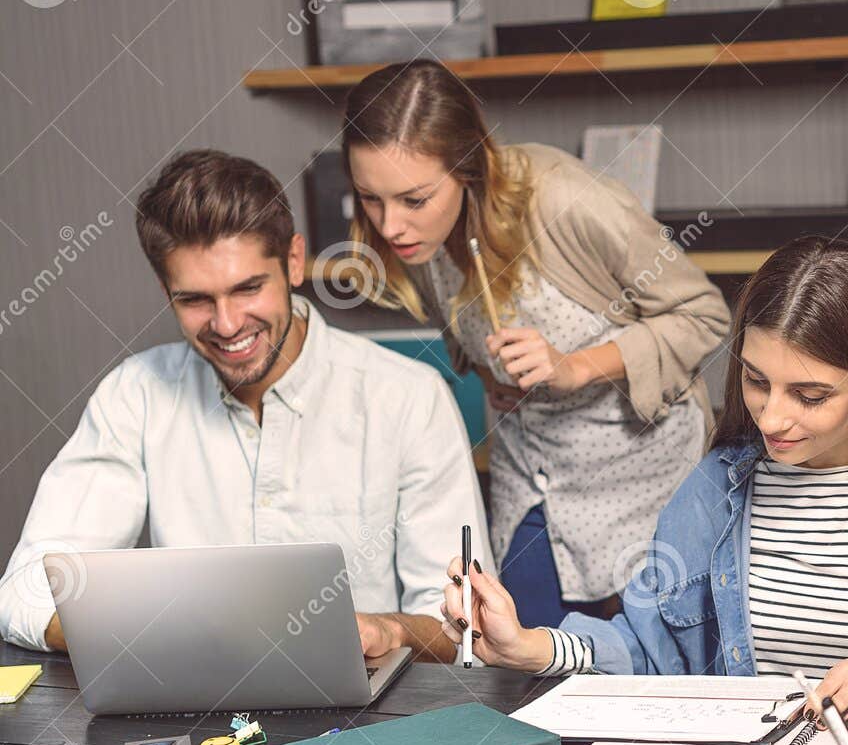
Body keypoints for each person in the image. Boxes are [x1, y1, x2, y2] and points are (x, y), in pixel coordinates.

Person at [443, 236, 848, 710]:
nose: (772, 417)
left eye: (810, 396)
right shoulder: (720, 485)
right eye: (757, 381)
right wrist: (529, 645)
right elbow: (651, 645)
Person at [0, 149, 487, 659]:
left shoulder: (408, 397)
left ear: (293, 262)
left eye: (248, 288)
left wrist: (391, 631)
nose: (228, 324)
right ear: (167, 293)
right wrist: (150, 635)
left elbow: (463, 629)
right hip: (188, 720)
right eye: (195, 300)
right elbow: (26, 592)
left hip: (370, 725)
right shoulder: (135, 395)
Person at [342, 60, 730, 628]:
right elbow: (470, 335)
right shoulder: (415, 241)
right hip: (532, 479)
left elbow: (703, 314)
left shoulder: (571, 199)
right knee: (525, 671)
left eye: (413, 200)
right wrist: (493, 378)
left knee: (649, 672)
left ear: (468, 167)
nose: (390, 225)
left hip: (644, 480)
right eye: (369, 200)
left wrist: (575, 368)